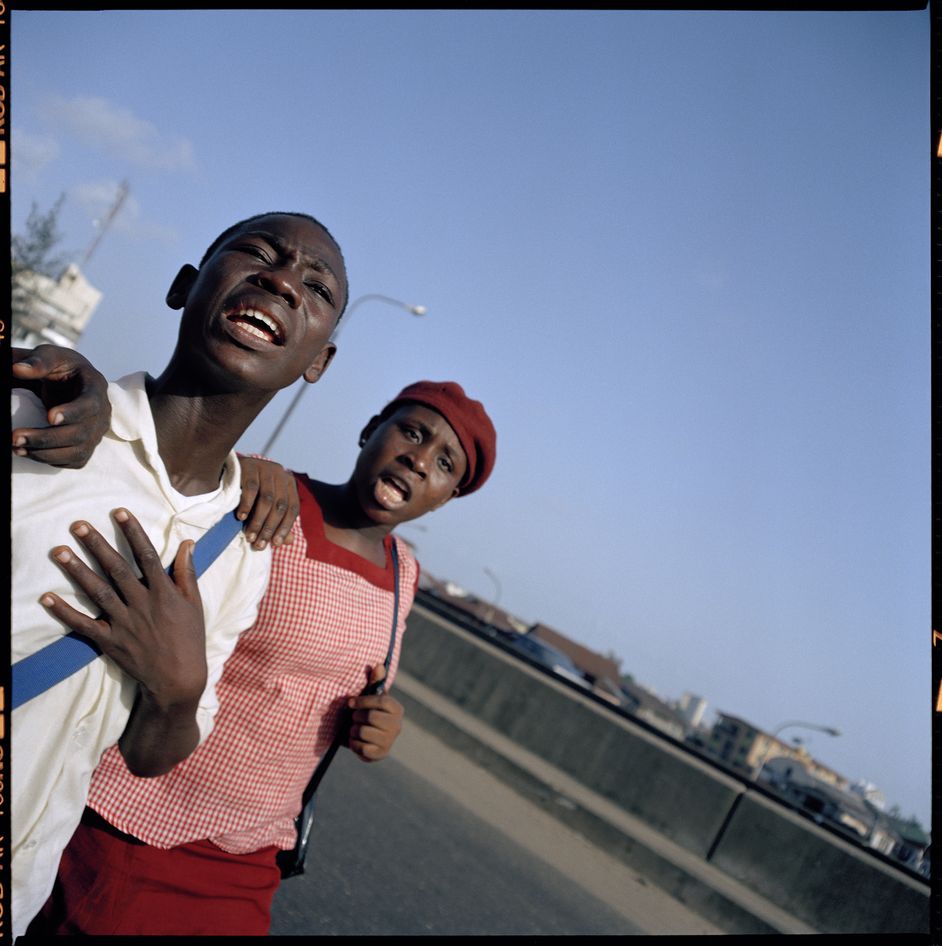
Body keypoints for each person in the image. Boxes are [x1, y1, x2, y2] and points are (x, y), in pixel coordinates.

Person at [25, 375, 497, 937]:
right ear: (372, 431)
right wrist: (247, 469)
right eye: (412, 433)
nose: (420, 462)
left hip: (251, 859)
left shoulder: (405, 574)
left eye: (446, 466)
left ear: (448, 498)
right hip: (134, 825)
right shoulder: (267, 503)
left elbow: (350, 678)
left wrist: (378, 721)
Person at [9, 210, 349, 939]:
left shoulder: (242, 551)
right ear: (185, 287)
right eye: (258, 253)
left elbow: (148, 755)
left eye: (315, 287)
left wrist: (178, 686)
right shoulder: (42, 415)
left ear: (318, 362)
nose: (283, 281)